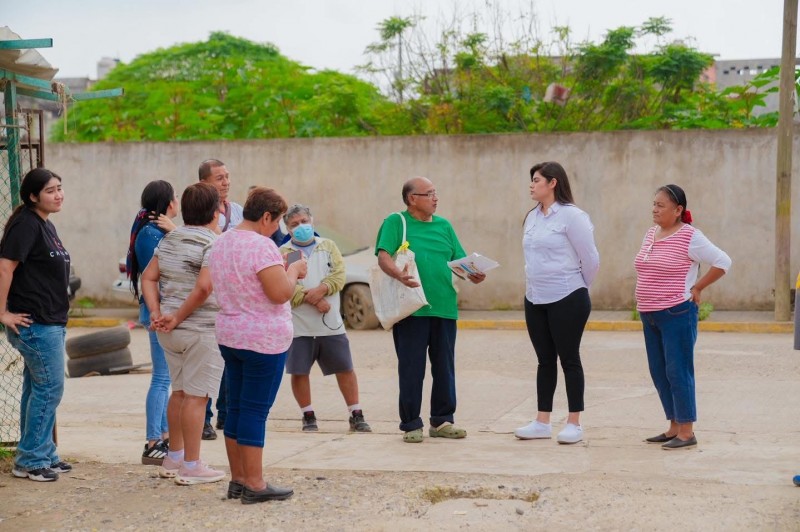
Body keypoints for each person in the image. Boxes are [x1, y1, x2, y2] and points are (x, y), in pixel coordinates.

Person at [208, 187, 306, 504]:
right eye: (277, 221)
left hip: (230, 334)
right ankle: (255, 483)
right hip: (263, 339)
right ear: (266, 217)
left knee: (235, 407)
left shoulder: (221, 242)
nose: (277, 229)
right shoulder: (262, 246)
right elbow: (279, 293)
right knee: (254, 411)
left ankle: (238, 479)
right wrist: (293, 270)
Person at [375, 177, 486, 444]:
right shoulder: (396, 222)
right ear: (413, 198)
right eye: (430, 194)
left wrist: (473, 274)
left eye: (436, 193)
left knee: (445, 367)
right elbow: (383, 256)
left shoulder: (444, 226)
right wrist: (398, 275)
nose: (436, 198)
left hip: (444, 308)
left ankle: (443, 420)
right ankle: (411, 423)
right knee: (411, 368)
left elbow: (458, 261)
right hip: (412, 308)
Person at [634, 184, 731, 450]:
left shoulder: (690, 236)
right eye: (653, 204)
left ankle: (687, 431)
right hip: (649, 313)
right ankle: (673, 426)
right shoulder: (651, 233)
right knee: (659, 371)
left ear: (678, 210)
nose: (654, 209)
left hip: (676, 312)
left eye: (661, 205)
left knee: (678, 371)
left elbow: (723, 262)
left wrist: (698, 287)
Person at [141, 182, 225, 485]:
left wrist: (156, 310)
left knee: (178, 391)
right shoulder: (213, 243)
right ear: (217, 212)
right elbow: (205, 287)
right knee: (196, 397)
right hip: (199, 330)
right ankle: (192, 464)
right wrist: (177, 316)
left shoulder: (170, 238)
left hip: (168, 329)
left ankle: (173, 457)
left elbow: (148, 277)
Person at [514, 162, 600, 444]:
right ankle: (542, 421)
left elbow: (590, 259)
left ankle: (574, 422)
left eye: (536, 180)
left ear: (553, 183)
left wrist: (578, 288)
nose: (531, 184)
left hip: (567, 296)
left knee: (570, 359)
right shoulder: (532, 216)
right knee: (544, 361)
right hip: (535, 297)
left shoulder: (572, 216)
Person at [0, 168, 73, 482]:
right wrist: (1, 312)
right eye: (50, 190)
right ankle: (30, 460)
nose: (58, 194)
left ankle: (43, 453)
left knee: (38, 389)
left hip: (50, 321)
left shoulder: (44, 223)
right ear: (33, 197)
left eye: (59, 188)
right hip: (36, 324)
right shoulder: (26, 225)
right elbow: (5, 267)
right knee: (49, 389)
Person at [279, 204, 372, 433]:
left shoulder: (327, 246)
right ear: (288, 229)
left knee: (345, 368)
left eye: (303, 221)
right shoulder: (286, 252)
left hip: (331, 326)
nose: (300, 227)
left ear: (312, 221)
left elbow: (339, 276)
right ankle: (308, 415)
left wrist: (321, 290)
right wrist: (315, 300)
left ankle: (355, 413)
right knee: (299, 371)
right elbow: (288, 286)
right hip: (300, 327)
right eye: (294, 224)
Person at [127, 180, 179, 466]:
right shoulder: (150, 234)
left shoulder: (159, 231)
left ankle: (164, 435)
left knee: (166, 378)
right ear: (168, 203)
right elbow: (155, 276)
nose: (178, 201)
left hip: (164, 312)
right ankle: (152, 442)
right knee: (161, 378)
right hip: (157, 312)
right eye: (175, 197)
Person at [198, 158, 241, 440]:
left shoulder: (237, 210)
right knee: (206, 361)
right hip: (208, 294)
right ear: (204, 183)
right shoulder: (198, 210)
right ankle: (204, 418)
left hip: (233, 294)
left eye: (227, 177)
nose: (225, 182)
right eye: (219, 178)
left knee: (229, 357)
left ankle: (226, 414)